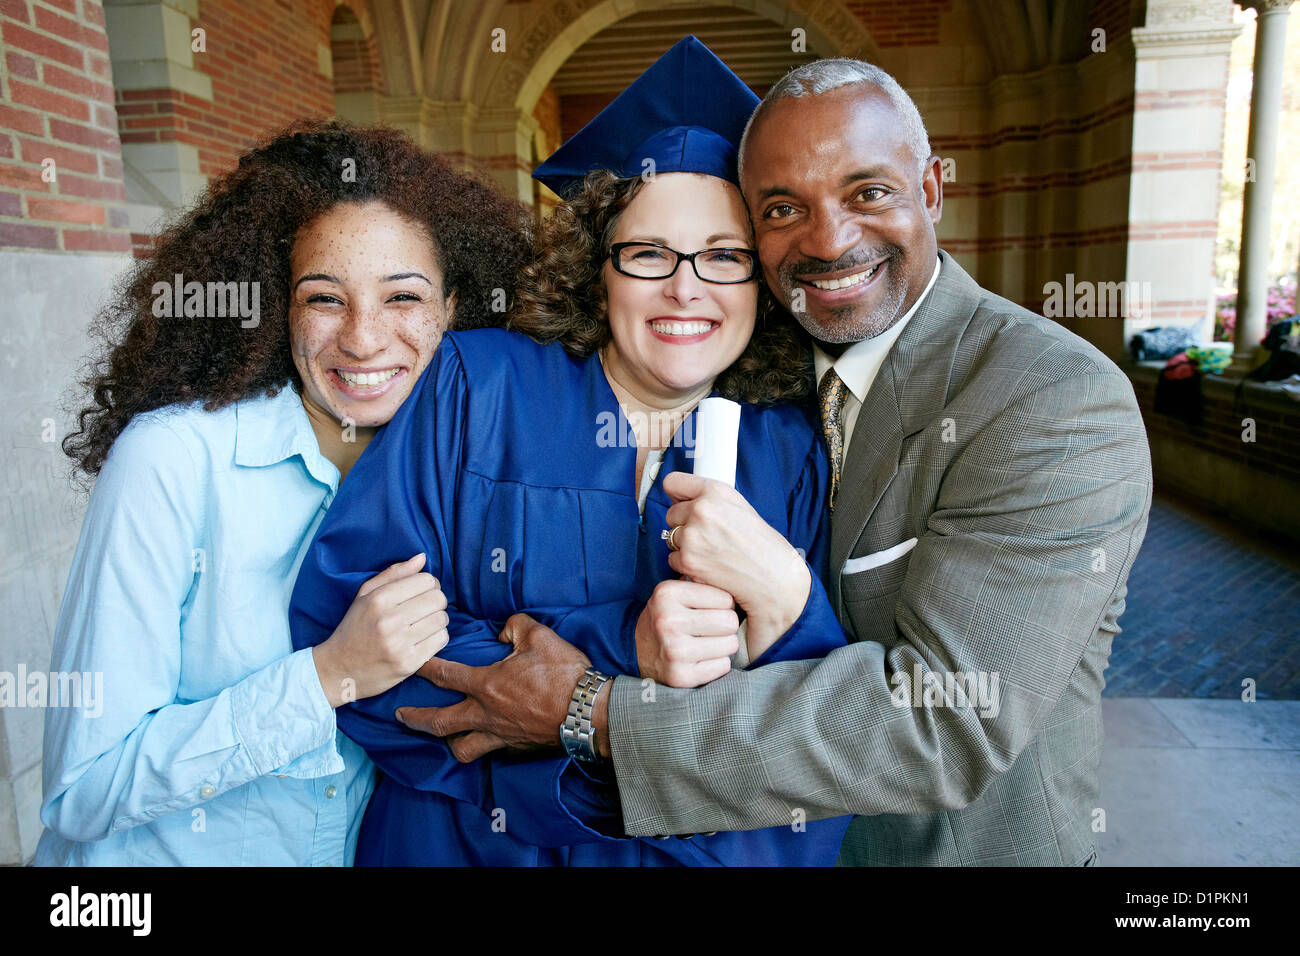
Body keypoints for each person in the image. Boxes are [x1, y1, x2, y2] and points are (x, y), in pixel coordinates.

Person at [394, 56, 1155, 867]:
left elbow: (945, 722)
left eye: (869, 192)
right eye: (784, 208)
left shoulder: (1049, 400)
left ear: (930, 190)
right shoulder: (772, 376)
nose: (830, 240)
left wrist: (593, 711)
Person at [288, 37, 851, 866]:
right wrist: (624, 666)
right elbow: (359, 631)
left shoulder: (791, 452)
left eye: (724, 257)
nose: (685, 287)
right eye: (648, 253)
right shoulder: (477, 386)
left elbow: (805, 730)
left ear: (760, 283)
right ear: (598, 269)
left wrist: (576, 703)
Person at [37, 120, 531, 866]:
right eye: (325, 298)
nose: (364, 339)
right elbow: (83, 789)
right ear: (278, 306)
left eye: (403, 297)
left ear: (454, 309)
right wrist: (330, 674)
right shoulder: (172, 460)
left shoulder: (462, 472)